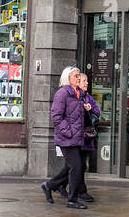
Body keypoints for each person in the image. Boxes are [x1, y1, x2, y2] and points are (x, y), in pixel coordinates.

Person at [42, 67, 88, 209]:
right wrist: (68, 132)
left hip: (76, 137)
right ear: (67, 78)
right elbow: (56, 117)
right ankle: (72, 200)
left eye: (79, 75)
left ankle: (49, 185)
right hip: (67, 138)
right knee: (77, 167)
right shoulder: (62, 94)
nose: (79, 78)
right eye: (76, 76)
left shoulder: (79, 94)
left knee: (72, 166)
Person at [74, 72, 100, 204]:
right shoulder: (75, 96)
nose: (87, 83)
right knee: (78, 165)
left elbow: (97, 112)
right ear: (77, 82)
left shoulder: (88, 97)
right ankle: (80, 191)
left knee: (78, 165)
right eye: (84, 80)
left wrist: (90, 110)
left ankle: (56, 185)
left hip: (86, 138)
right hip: (76, 137)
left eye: (87, 81)